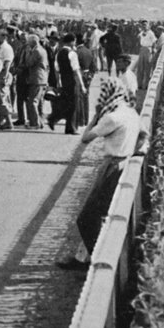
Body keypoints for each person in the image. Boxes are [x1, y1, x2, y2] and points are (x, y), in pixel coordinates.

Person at [57, 79, 145, 269]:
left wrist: (95, 117)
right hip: (124, 163)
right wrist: (134, 150)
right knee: (102, 213)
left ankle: (96, 257)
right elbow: (143, 136)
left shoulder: (111, 118)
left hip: (111, 166)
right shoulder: (131, 113)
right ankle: (83, 257)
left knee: (87, 217)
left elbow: (85, 138)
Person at [47, 34, 85, 135]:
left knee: (66, 103)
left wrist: (58, 82)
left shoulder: (59, 53)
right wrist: (82, 85)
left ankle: (54, 118)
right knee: (73, 104)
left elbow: (56, 69)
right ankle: (71, 128)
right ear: (72, 41)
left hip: (64, 80)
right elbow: (76, 70)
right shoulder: (72, 53)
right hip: (73, 81)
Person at [20, 34, 49, 129]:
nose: (27, 45)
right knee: (39, 102)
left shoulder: (36, 51)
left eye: (28, 43)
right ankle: (40, 122)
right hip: (41, 78)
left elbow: (29, 63)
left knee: (33, 101)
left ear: (33, 42)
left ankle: (34, 123)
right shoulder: (43, 50)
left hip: (36, 79)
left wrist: (28, 53)